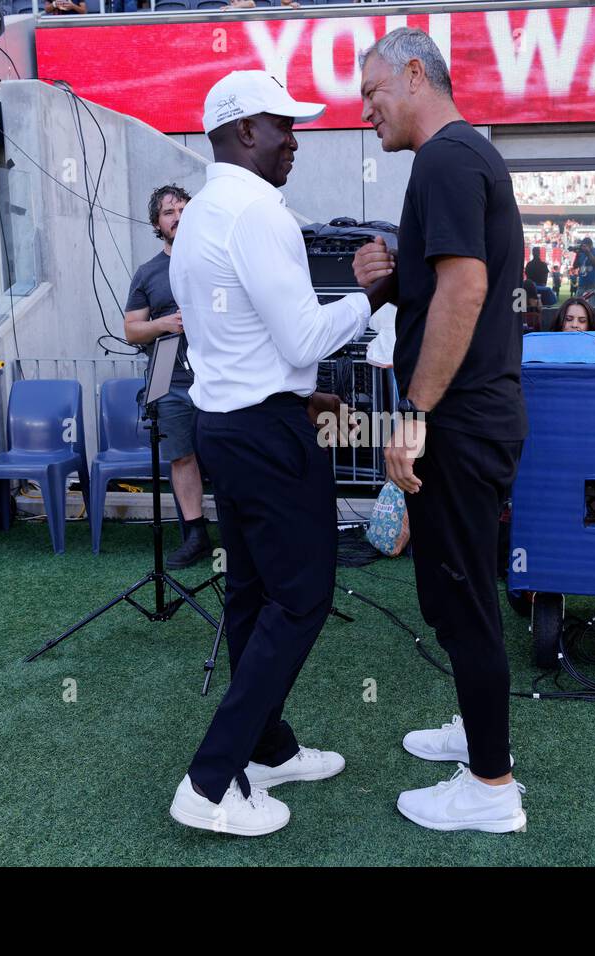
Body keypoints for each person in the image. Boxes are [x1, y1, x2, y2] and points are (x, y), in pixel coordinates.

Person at [165, 71, 394, 837]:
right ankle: (209, 780)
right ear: (242, 132)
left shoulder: (198, 214)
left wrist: (296, 392)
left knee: (253, 595)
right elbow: (301, 338)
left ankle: (266, 748)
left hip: (230, 428)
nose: (296, 139)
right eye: (282, 125)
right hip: (266, 434)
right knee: (301, 598)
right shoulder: (258, 211)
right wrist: (369, 295)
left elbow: (240, 342)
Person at [355, 26, 528, 834]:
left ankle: (491, 789)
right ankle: (477, 729)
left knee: (461, 599)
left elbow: (464, 291)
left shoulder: (449, 159)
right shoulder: (461, 159)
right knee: (463, 596)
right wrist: (391, 282)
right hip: (472, 419)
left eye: (373, 93)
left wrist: (413, 415)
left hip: (458, 422)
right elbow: (443, 289)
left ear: (415, 74)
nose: (366, 112)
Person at [123, 184, 211, 569]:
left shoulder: (213, 258)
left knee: (231, 452)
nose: (177, 218)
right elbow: (131, 330)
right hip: (171, 382)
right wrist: (162, 324)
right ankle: (196, 536)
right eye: (168, 213)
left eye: (182, 209)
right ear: (157, 224)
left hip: (219, 376)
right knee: (181, 456)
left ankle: (245, 533)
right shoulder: (148, 272)